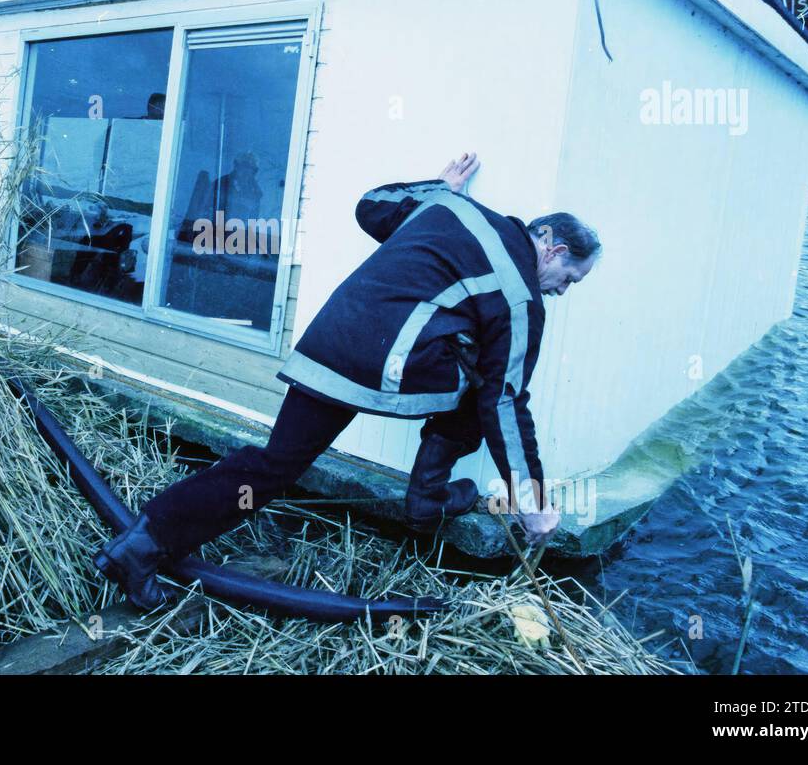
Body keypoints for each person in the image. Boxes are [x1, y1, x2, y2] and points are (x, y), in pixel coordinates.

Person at [93, 152, 602, 610]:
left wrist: (439, 188)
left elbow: (371, 206)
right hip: (381, 367)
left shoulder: (452, 208)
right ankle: (425, 501)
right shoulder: (521, 301)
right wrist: (531, 505)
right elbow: (507, 403)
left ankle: (143, 543)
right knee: (490, 384)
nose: (560, 292)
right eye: (570, 279)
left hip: (327, 346)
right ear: (552, 249)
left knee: (274, 465)